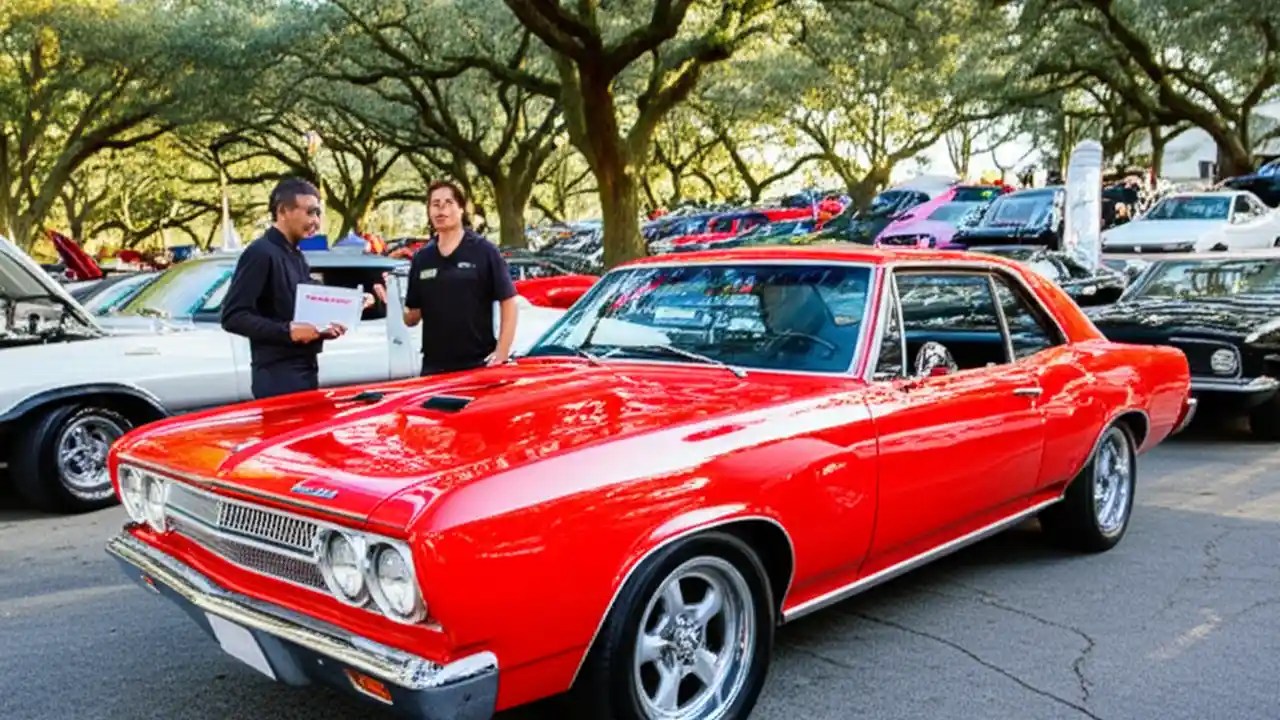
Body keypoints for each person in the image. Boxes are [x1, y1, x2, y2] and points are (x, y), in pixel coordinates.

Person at [221, 177, 347, 399]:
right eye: (310, 212)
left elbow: (298, 310)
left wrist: (322, 328)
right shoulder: (260, 253)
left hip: (305, 370)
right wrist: (288, 331)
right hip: (276, 377)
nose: (316, 221)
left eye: (318, 214)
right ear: (283, 211)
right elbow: (233, 316)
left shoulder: (297, 255)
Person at [403, 180, 518, 375]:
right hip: (434, 368)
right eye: (435, 204)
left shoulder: (485, 251)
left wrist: (502, 352)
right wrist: (391, 301)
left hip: (477, 364)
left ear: (461, 209)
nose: (441, 209)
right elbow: (412, 317)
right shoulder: (422, 258)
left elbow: (509, 302)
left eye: (448, 203)